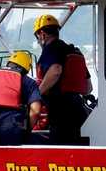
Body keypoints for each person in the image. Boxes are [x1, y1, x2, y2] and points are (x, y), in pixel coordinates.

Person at [32, 14, 94, 145]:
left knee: (59, 154)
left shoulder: (51, 49)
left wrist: (36, 94)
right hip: (79, 112)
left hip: (60, 113)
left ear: (42, 34)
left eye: (38, 37)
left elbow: (55, 70)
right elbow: (88, 88)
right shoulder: (75, 52)